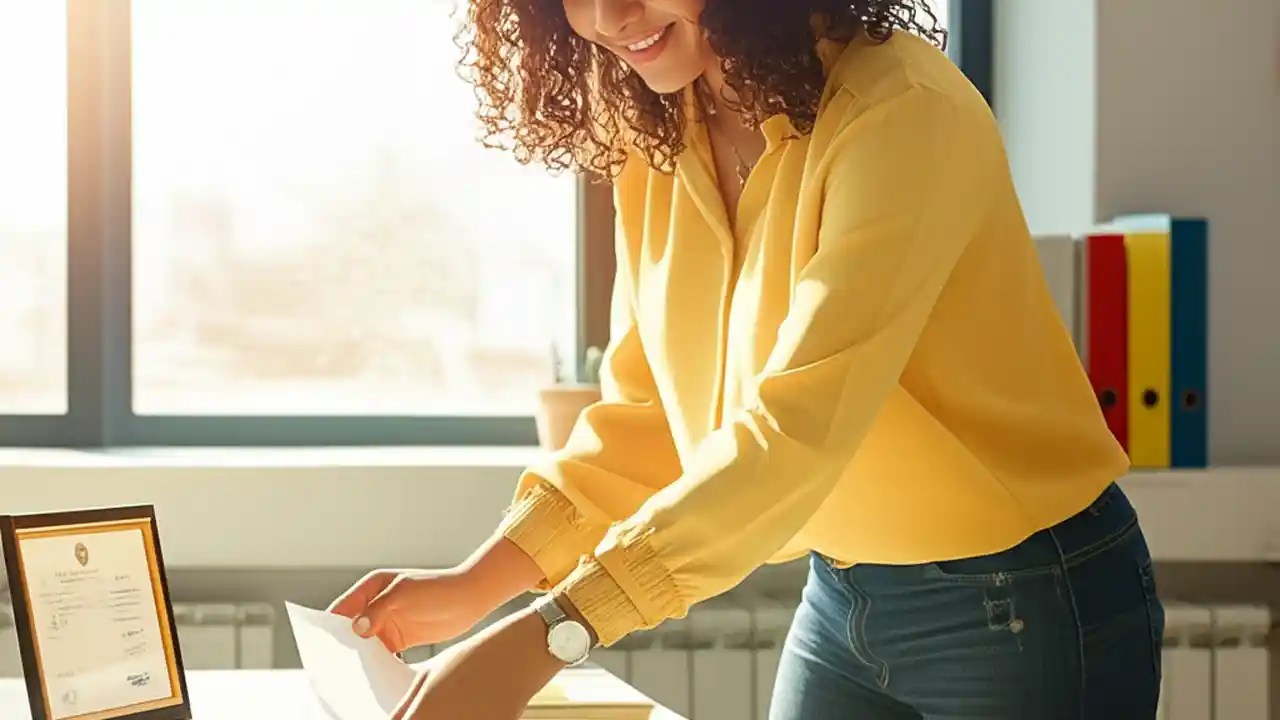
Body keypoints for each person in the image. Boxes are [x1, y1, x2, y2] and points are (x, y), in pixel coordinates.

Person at [330, 1, 1166, 718]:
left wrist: (554, 633)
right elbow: (651, 415)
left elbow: (795, 429)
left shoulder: (902, 112)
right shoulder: (662, 135)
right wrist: (475, 586)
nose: (611, 18)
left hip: (1025, 598)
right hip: (843, 594)